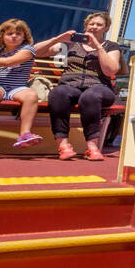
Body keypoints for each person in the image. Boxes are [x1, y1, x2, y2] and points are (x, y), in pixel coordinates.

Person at [0, 19, 71, 148]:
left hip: (17, 87)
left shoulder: (27, 50)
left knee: (31, 95)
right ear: (2, 36)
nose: (14, 36)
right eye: (9, 33)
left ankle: (25, 134)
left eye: (18, 34)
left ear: (24, 36)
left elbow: (9, 62)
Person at [48, 11, 123, 160]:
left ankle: (92, 147)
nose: (94, 27)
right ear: (86, 26)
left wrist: (97, 46)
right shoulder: (71, 44)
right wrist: (58, 39)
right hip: (71, 85)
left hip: (100, 87)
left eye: (99, 24)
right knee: (58, 93)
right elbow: (37, 51)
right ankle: (63, 145)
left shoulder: (111, 46)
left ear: (106, 28)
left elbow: (111, 70)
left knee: (90, 97)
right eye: (92, 24)